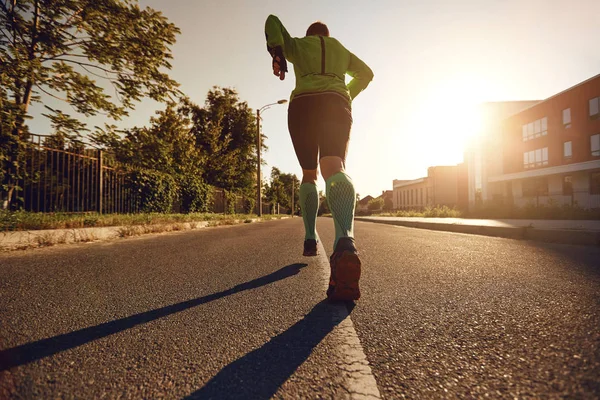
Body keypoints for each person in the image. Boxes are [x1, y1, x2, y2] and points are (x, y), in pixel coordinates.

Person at [265, 15, 374, 301]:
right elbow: (367, 74)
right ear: (327, 36)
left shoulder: (299, 46)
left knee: (309, 173)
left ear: (310, 35)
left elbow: (272, 21)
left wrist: (278, 52)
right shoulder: (340, 50)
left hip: (303, 105)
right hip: (335, 103)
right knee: (334, 166)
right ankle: (344, 242)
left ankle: (310, 237)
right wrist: (346, 93)